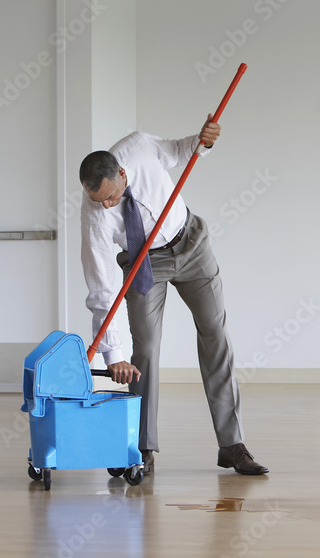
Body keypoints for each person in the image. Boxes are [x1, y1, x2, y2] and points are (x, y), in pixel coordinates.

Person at [78, 115, 267, 476]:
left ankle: (232, 445)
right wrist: (112, 354)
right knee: (144, 350)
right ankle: (141, 447)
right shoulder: (94, 214)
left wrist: (204, 140)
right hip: (143, 263)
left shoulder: (138, 147)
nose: (105, 206)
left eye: (111, 197)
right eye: (97, 200)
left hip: (191, 243)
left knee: (215, 334)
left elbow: (179, 151)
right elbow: (100, 285)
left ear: (121, 173)